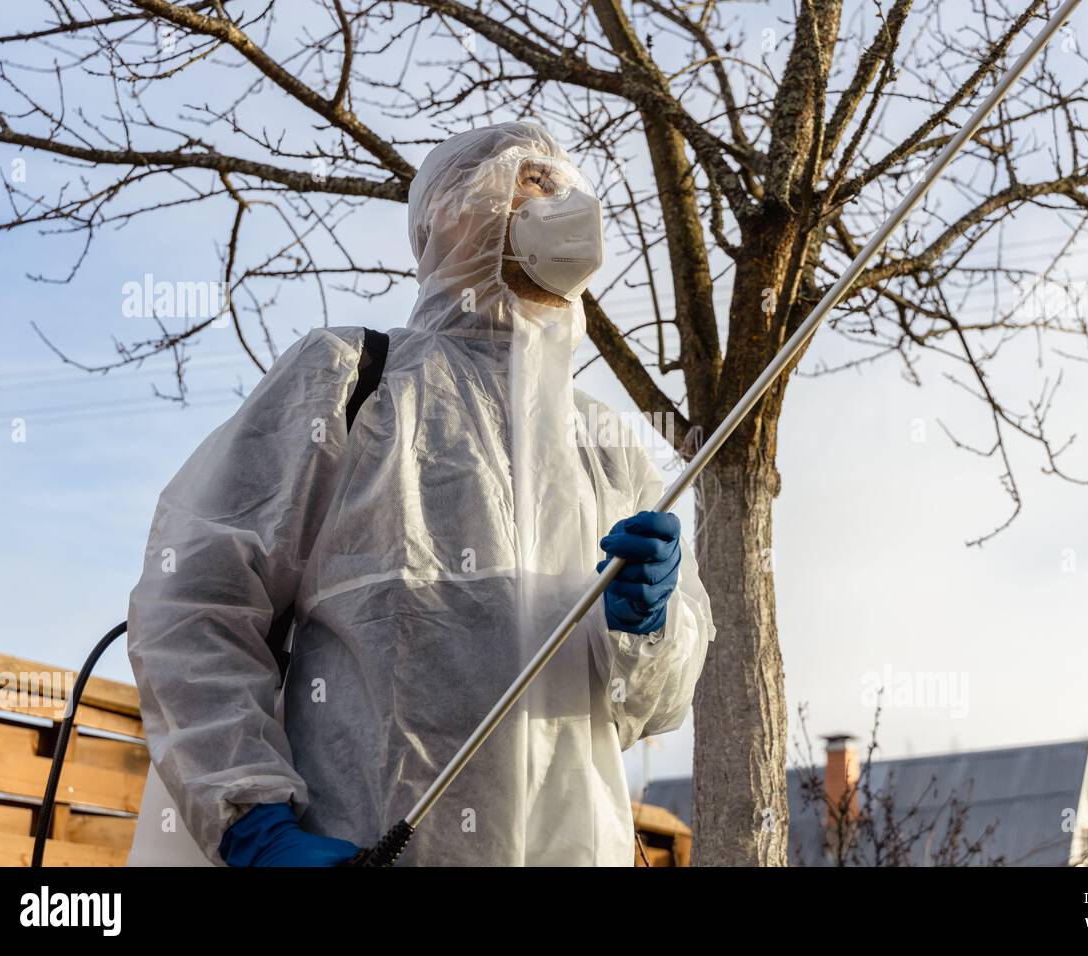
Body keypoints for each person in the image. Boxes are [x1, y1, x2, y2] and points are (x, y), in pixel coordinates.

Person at [125, 122, 715, 867]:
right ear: (446, 211)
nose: (559, 203)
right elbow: (194, 601)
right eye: (531, 182)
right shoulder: (349, 382)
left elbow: (653, 710)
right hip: (375, 843)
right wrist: (251, 821)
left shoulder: (606, 444)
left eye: (566, 188)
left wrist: (650, 627)